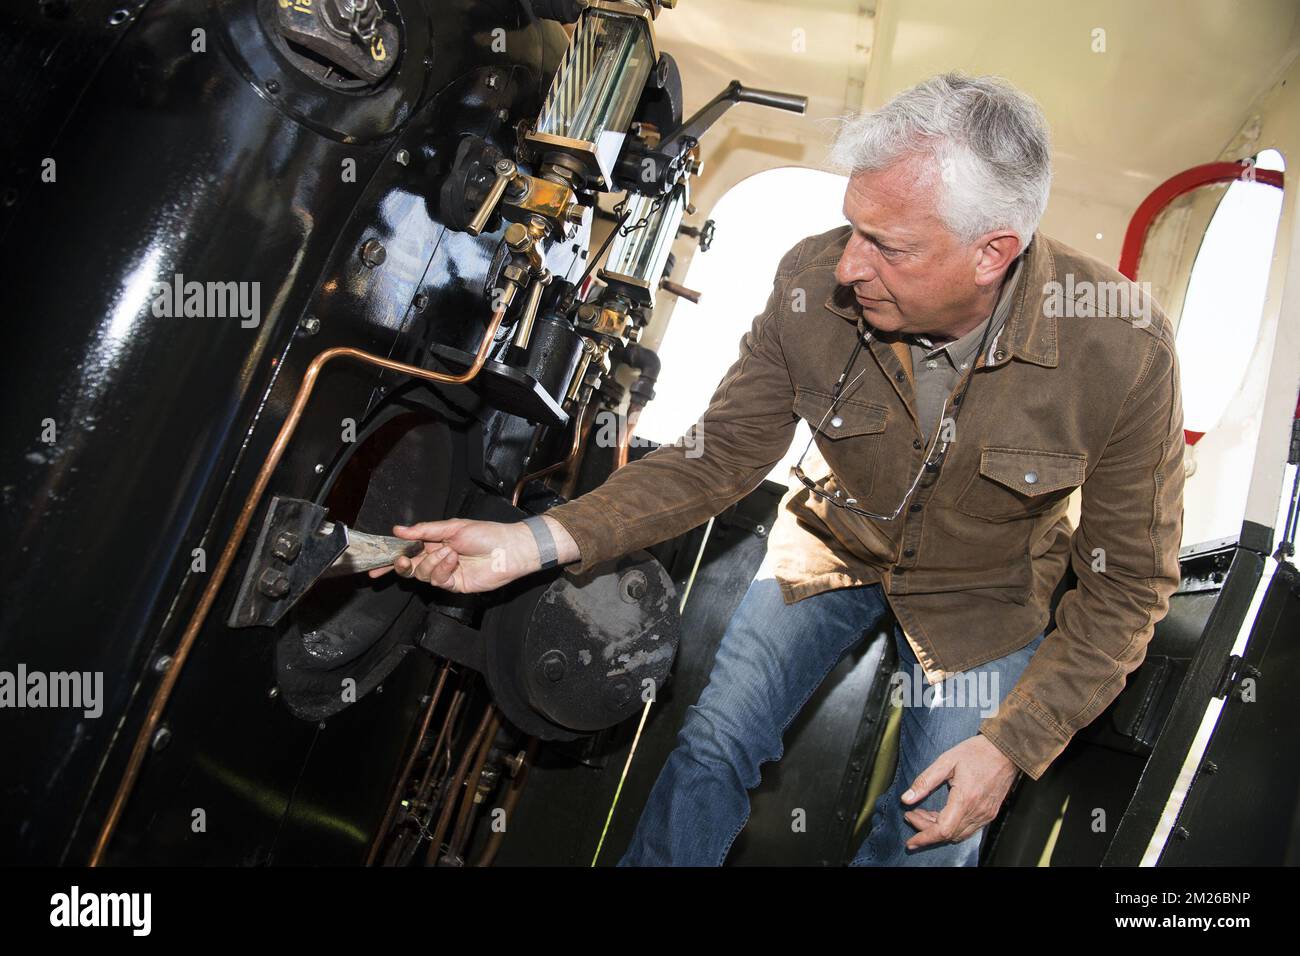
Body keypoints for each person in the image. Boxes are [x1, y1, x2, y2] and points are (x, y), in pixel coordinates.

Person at [371, 73, 1185, 866]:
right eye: (853, 227)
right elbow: (717, 456)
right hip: (833, 540)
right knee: (716, 741)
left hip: (988, 591)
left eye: (887, 246)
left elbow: (1129, 586)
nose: (848, 268)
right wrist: (537, 543)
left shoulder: (1122, 349)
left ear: (991, 253)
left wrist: (1014, 744)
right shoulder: (810, 282)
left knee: (941, 826)